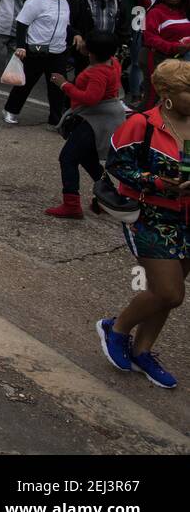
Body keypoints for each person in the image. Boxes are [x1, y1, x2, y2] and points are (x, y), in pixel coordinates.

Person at [97, 59, 190, 390]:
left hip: (187, 219)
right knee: (170, 292)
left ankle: (143, 350)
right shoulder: (142, 123)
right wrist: (161, 183)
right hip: (152, 217)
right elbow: (117, 166)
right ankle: (117, 328)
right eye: (187, 90)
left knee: (164, 296)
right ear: (166, 93)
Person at [44, 30, 123, 218]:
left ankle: (72, 205)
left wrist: (64, 85)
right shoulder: (113, 62)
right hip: (103, 116)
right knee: (88, 159)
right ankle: (109, 199)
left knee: (68, 157)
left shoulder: (98, 72)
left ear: (91, 51)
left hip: (95, 119)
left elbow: (90, 98)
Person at [4, 0, 73, 126]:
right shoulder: (36, 0)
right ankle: (11, 109)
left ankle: (56, 119)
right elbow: (22, 23)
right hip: (37, 49)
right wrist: (21, 46)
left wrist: (74, 36)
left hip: (58, 51)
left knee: (57, 86)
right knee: (26, 83)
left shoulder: (64, 2)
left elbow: (66, 26)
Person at [141, 0, 190, 107]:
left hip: (181, 60)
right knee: (153, 97)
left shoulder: (185, 12)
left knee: (177, 97)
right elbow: (149, 38)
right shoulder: (155, 12)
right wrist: (173, 47)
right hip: (156, 57)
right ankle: (142, 123)